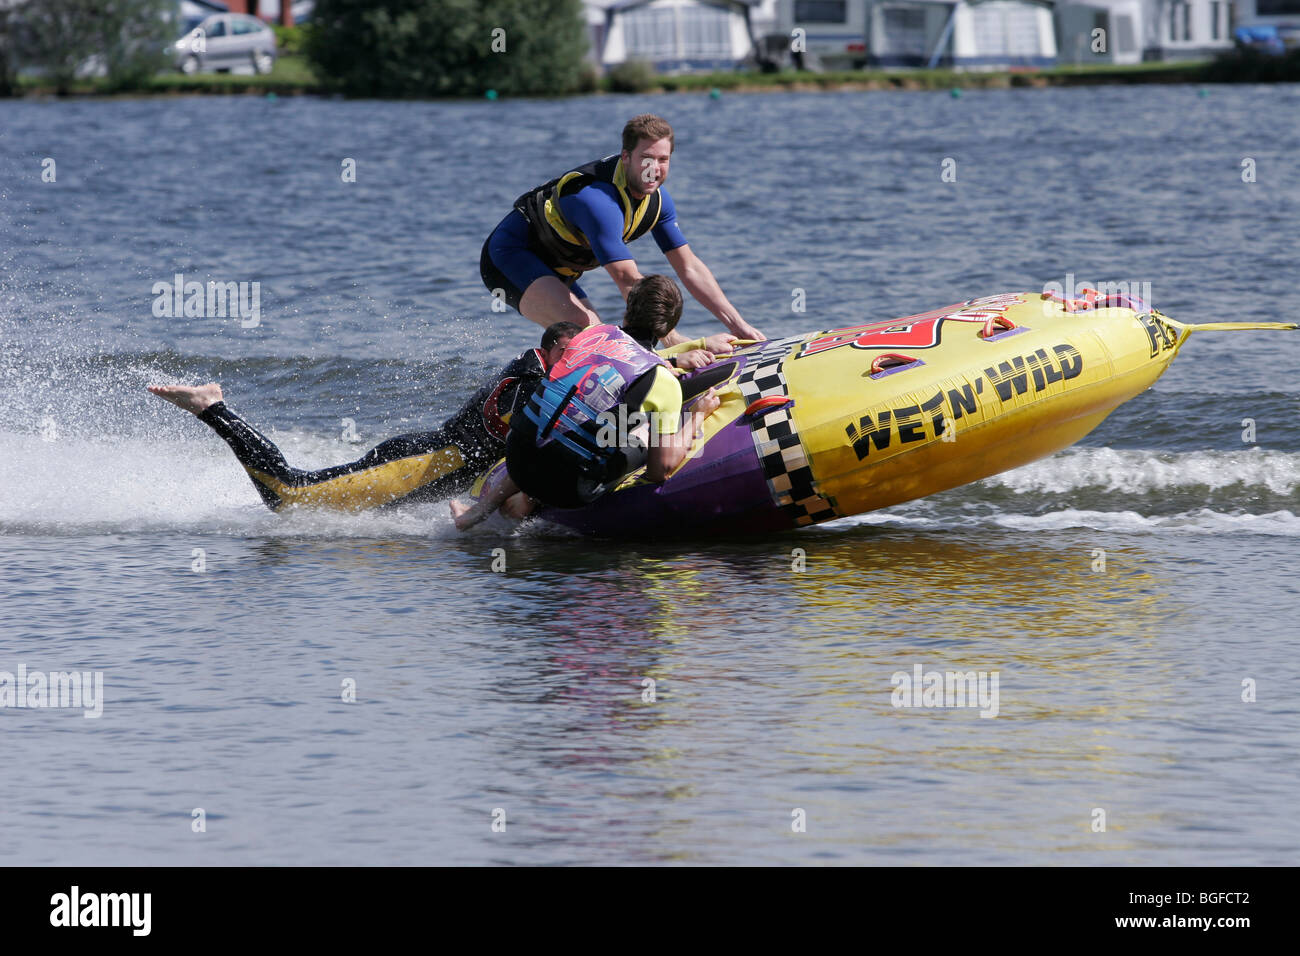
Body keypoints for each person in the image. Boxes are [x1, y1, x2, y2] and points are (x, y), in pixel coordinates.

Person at [146, 324, 580, 513]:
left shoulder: (530, 371)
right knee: (289, 496)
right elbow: (535, 442)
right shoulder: (530, 385)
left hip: (422, 460)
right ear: (552, 350)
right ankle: (211, 406)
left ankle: (212, 406)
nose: (578, 366)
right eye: (571, 354)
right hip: (417, 467)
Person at [450, 276, 723, 531]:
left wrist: (669, 362)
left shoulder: (589, 335)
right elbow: (659, 471)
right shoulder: (664, 383)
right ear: (668, 328)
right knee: (639, 428)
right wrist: (697, 416)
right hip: (570, 489)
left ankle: (478, 511)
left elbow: (620, 361)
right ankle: (529, 501)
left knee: (555, 422)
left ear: (628, 310)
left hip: (517, 457)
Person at [480, 113, 764, 346]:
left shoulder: (658, 204)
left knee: (594, 335)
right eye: (646, 158)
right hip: (508, 257)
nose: (654, 169)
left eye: (663, 160)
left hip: (558, 270)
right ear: (626, 157)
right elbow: (628, 280)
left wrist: (738, 325)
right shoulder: (597, 201)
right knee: (586, 330)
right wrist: (679, 344)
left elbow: (689, 267)